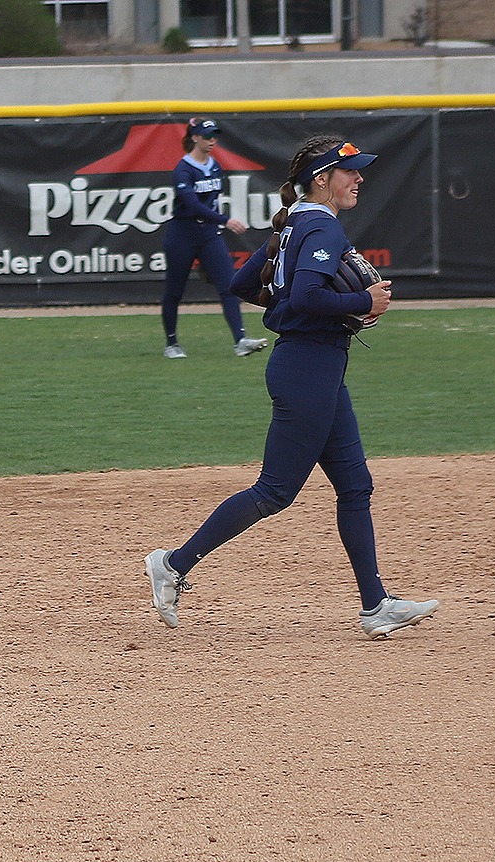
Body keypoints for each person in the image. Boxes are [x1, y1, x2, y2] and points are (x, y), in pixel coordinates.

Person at [144, 134, 440, 640]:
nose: (359, 178)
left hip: (314, 366)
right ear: (321, 179)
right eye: (349, 171)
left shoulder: (294, 223)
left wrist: (290, 309)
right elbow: (305, 295)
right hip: (307, 369)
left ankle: (376, 606)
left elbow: (242, 286)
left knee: (355, 485)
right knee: (275, 490)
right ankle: (173, 563)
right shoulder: (320, 224)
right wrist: (362, 302)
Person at [160, 117, 270, 360]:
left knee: (229, 286)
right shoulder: (183, 169)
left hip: (209, 234)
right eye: (207, 136)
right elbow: (192, 205)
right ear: (195, 137)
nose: (212, 140)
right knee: (174, 292)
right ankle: (171, 343)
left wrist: (218, 223)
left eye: (214, 136)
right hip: (182, 234)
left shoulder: (215, 166)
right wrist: (225, 220)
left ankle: (240, 341)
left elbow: (212, 202)